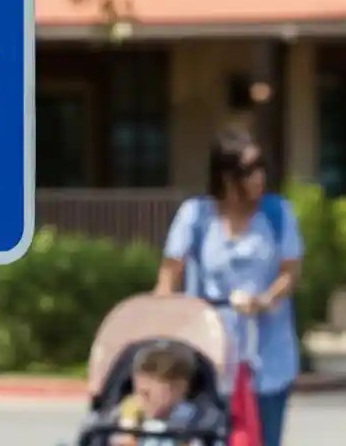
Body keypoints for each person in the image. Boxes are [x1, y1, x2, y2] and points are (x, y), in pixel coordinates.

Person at [154, 125, 303, 446]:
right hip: (209, 353)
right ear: (224, 175)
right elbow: (169, 276)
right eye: (248, 171)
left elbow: (290, 274)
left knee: (262, 438)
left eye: (261, 167)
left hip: (266, 354)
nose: (258, 177)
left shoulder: (277, 214)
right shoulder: (196, 216)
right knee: (206, 436)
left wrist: (263, 300)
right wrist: (165, 324)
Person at [112, 342, 199, 446]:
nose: (141, 397)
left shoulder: (196, 422)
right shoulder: (121, 417)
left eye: (154, 380)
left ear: (179, 389)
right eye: (139, 391)